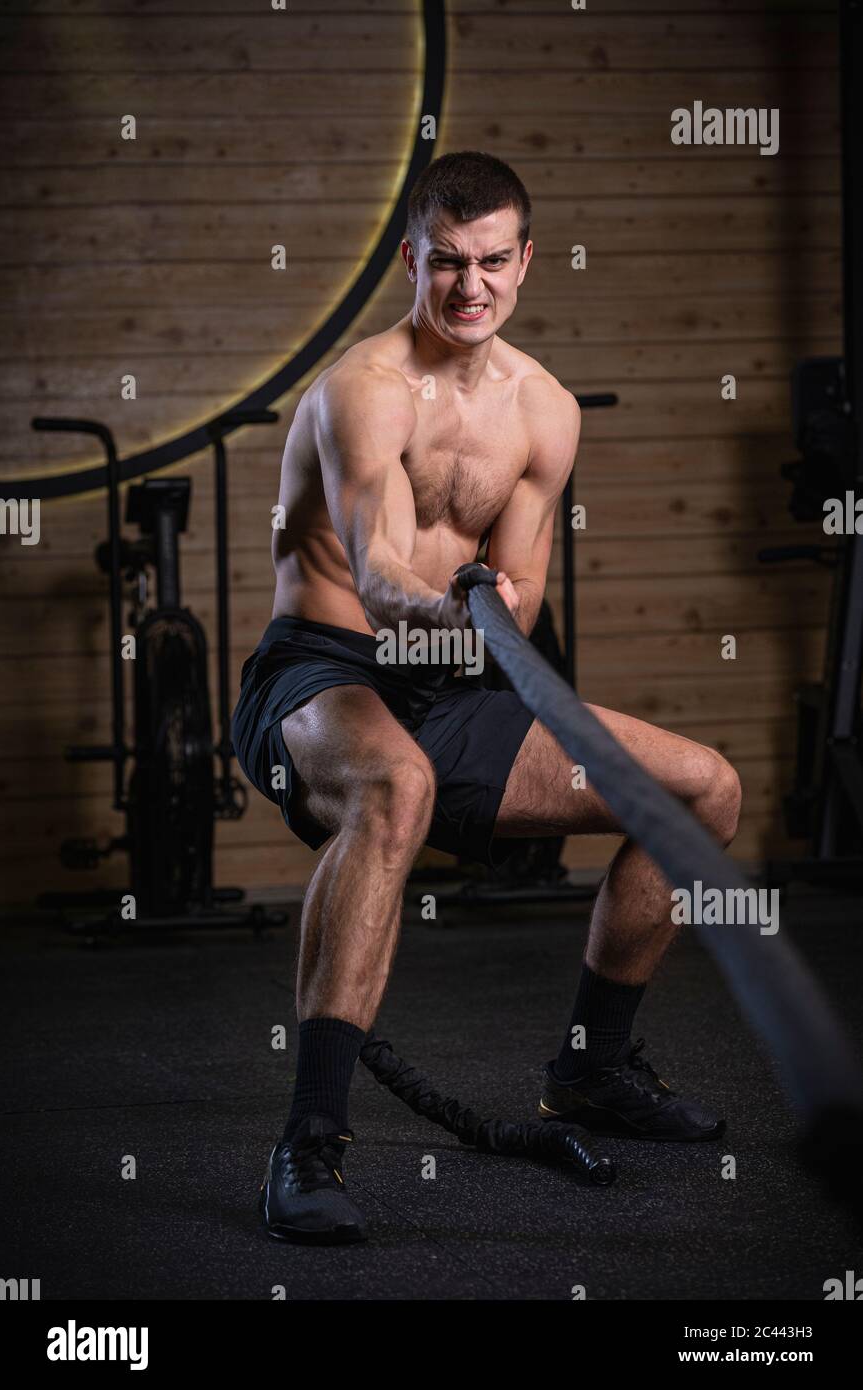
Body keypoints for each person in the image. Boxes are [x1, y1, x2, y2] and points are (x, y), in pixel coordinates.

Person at [233, 151, 742, 1245]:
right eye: (449, 262)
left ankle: (590, 1073)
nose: (471, 287)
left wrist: (493, 613)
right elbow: (372, 576)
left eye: (493, 263)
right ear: (413, 257)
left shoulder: (544, 412)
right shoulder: (360, 390)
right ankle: (308, 1141)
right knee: (398, 786)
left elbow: (520, 586)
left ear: (527, 261)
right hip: (320, 672)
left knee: (700, 789)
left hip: (447, 683)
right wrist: (459, 613)